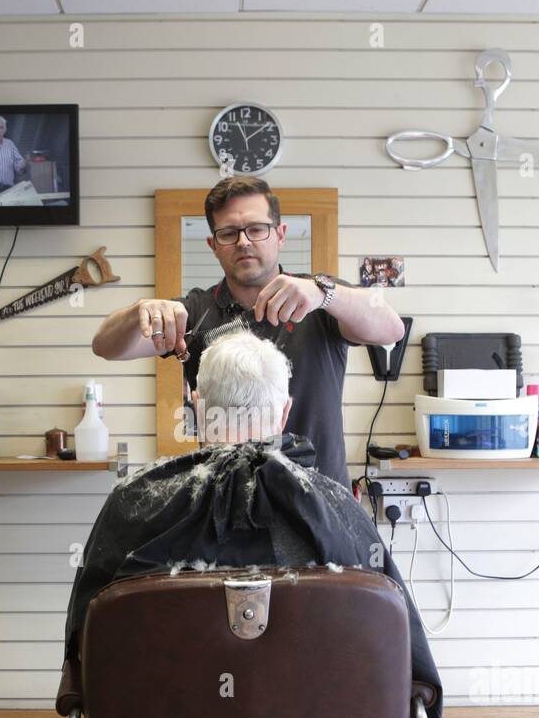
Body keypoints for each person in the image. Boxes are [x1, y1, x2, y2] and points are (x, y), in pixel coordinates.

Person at [64, 326, 442, 718]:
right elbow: (412, 668)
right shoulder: (338, 513)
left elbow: (83, 659)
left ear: (197, 406)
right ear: (284, 412)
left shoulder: (133, 508)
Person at [91, 176, 406, 486]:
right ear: (214, 245)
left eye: (256, 229)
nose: (243, 241)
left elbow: (391, 330)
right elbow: (106, 346)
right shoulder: (195, 313)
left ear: (280, 234)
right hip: (228, 505)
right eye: (229, 233)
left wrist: (325, 293)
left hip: (318, 504)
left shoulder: (320, 301)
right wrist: (140, 311)